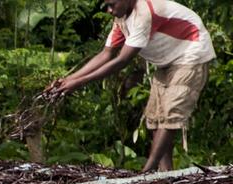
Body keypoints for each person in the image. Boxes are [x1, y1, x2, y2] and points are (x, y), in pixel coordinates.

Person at [48, 0, 215, 173]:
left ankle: (147, 171)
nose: (109, 10)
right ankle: (167, 174)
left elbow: (121, 60)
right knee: (156, 119)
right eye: (106, 6)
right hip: (167, 62)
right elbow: (106, 54)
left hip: (190, 55)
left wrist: (79, 83)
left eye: (112, 5)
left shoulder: (144, 14)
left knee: (170, 116)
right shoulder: (122, 19)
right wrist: (68, 80)